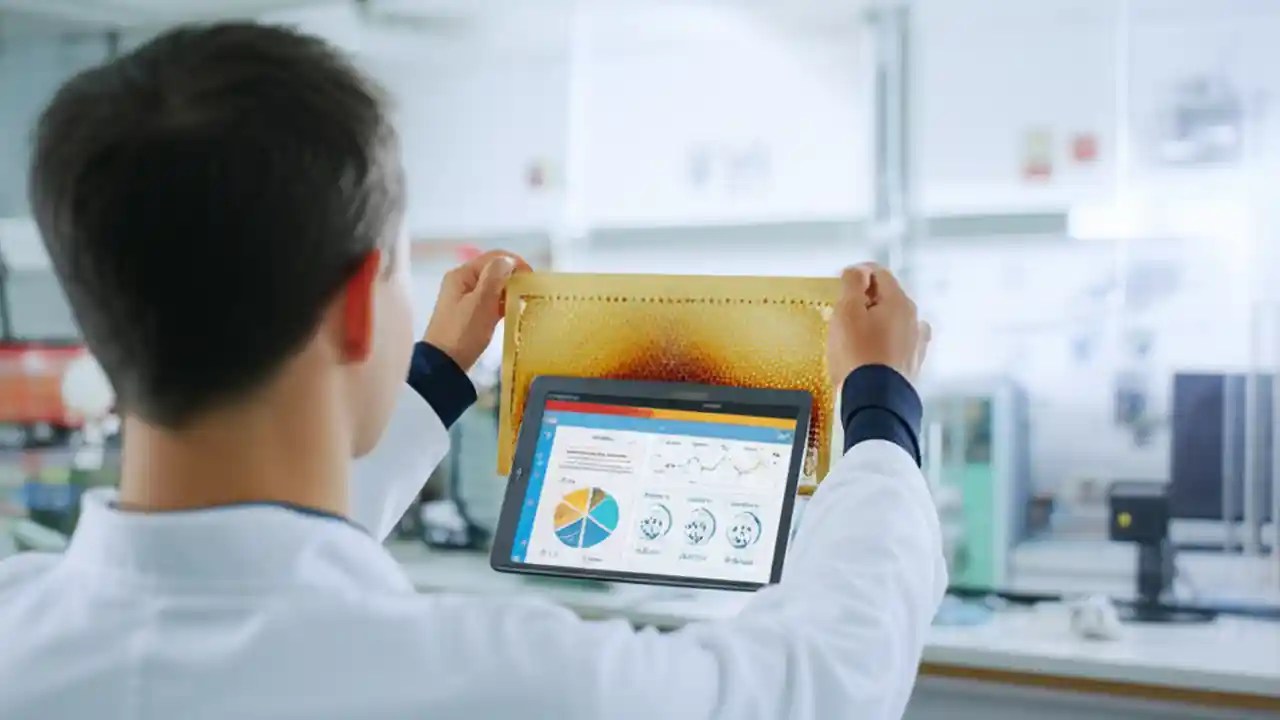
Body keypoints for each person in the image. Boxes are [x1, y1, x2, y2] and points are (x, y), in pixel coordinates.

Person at [0, 23, 945, 720]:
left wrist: (440, 377)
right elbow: (823, 682)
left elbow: (258, 564)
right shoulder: (506, 683)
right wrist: (881, 414)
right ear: (362, 302)